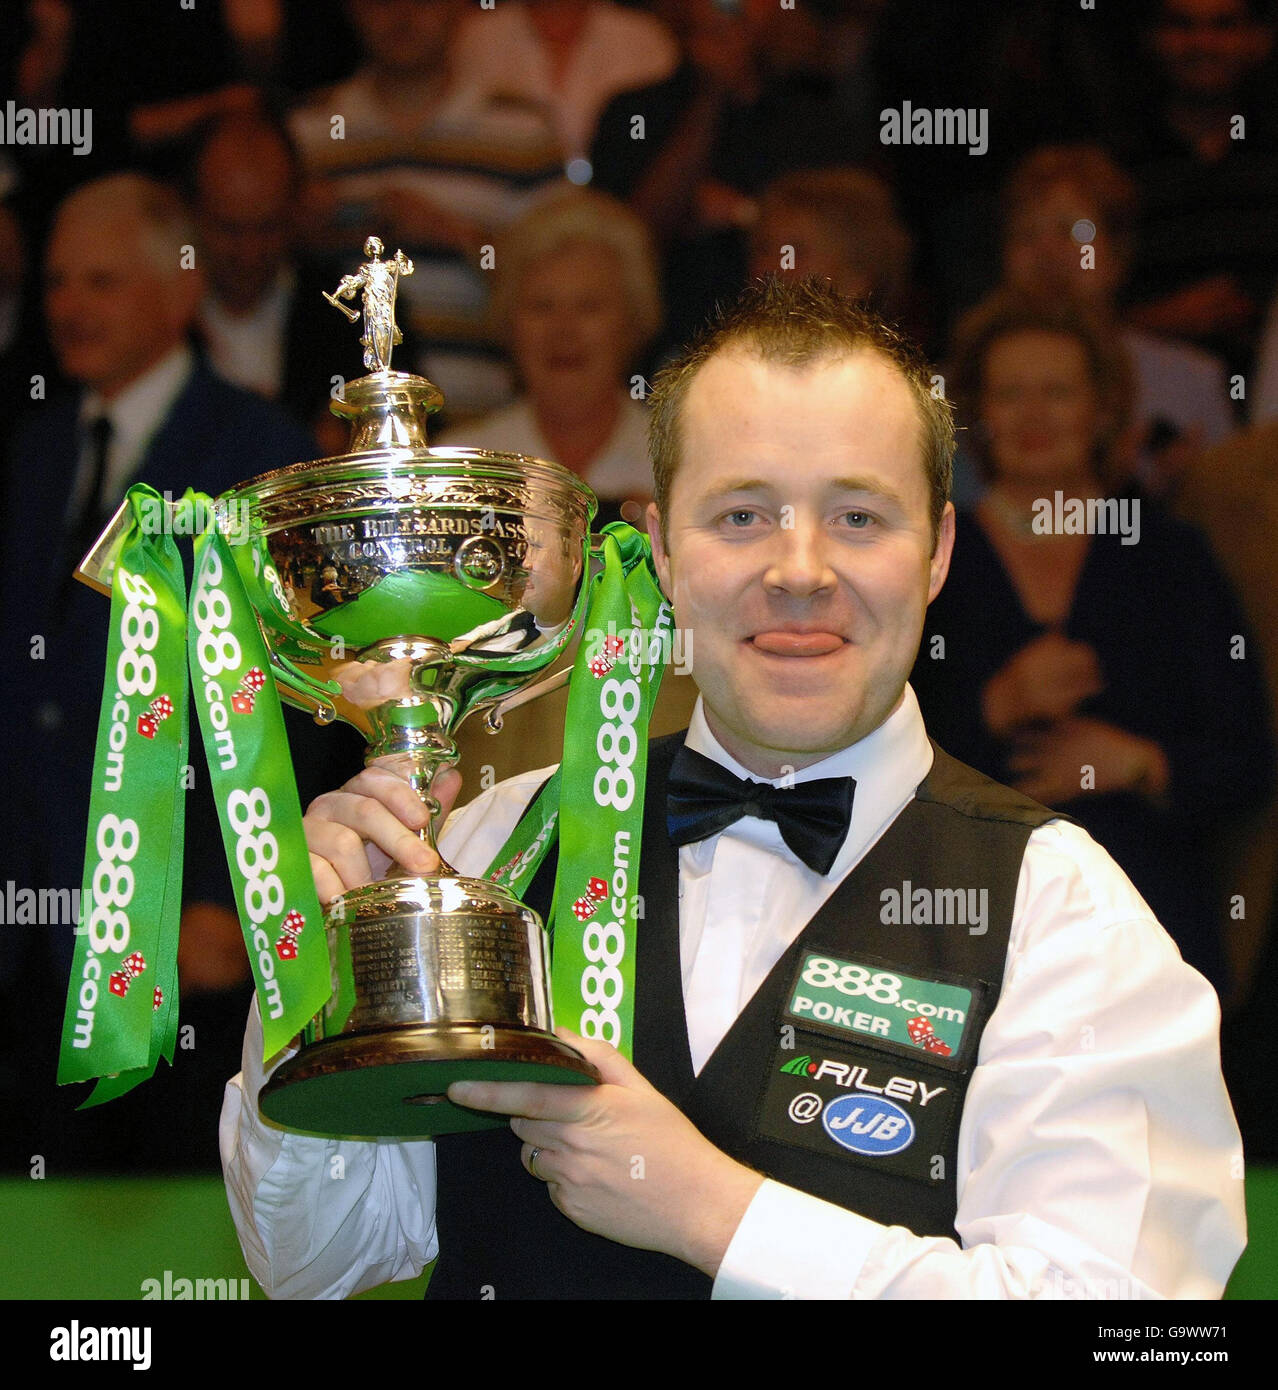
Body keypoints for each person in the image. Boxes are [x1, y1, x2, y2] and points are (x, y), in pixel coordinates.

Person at [222, 277, 1244, 1299]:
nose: (799, 570)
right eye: (743, 514)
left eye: (857, 516)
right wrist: (307, 979)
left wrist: (716, 1213)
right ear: (663, 549)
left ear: (935, 552)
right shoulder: (492, 843)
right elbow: (318, 1265)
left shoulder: (1064, 911)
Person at [912, 290, 1274, 997]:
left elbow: (1247, 761)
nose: (1035, 416)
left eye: (1058, 392)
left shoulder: (1168, 555)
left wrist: (1138, 763)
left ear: (1104, 409)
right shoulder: (931, 561)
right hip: (969, 926)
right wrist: (994, 706)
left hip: (1148, 927)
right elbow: (874, 756)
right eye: (1011, 394)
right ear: (979, 414)